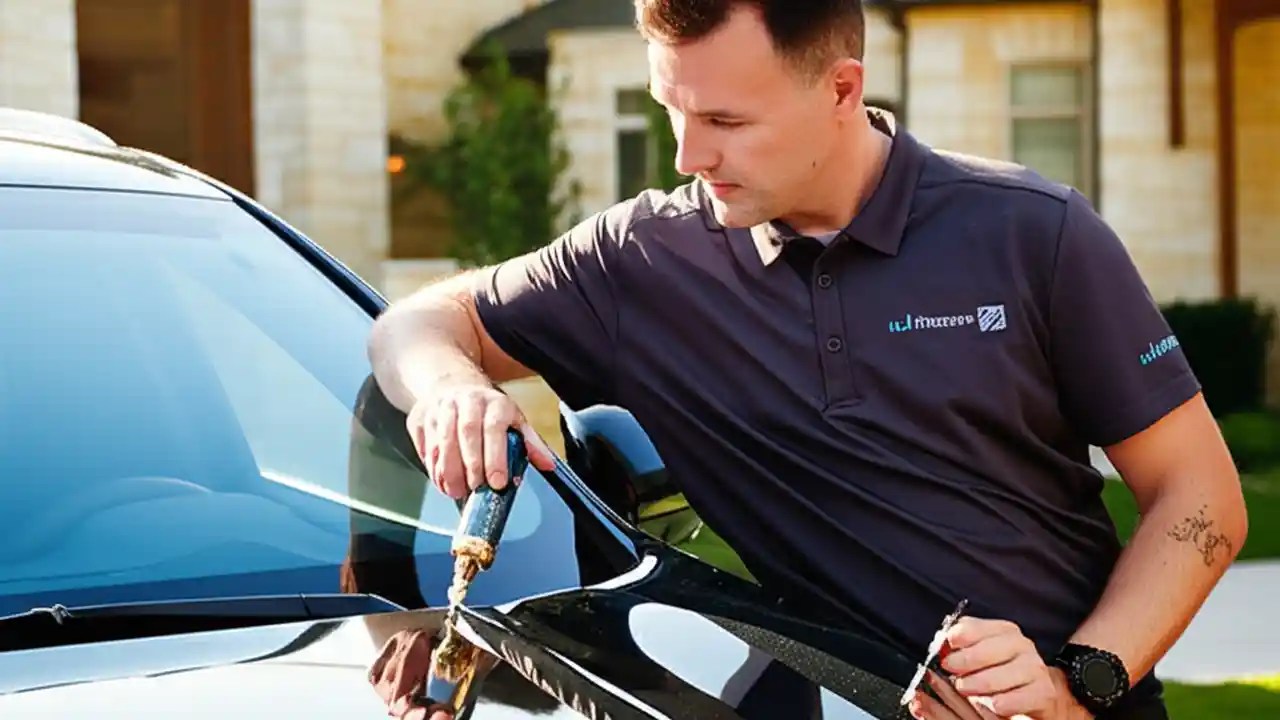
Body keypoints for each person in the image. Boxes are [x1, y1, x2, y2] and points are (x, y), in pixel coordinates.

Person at [367, 1, 1248, 718]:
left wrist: (1077, 680)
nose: (688, 154)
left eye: (724, 120)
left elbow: (1199, 496)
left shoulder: (1036, 234)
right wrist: (451, 389)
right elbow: (414, 323)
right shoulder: (642, 263)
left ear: (841, 88)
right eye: (669, 111)